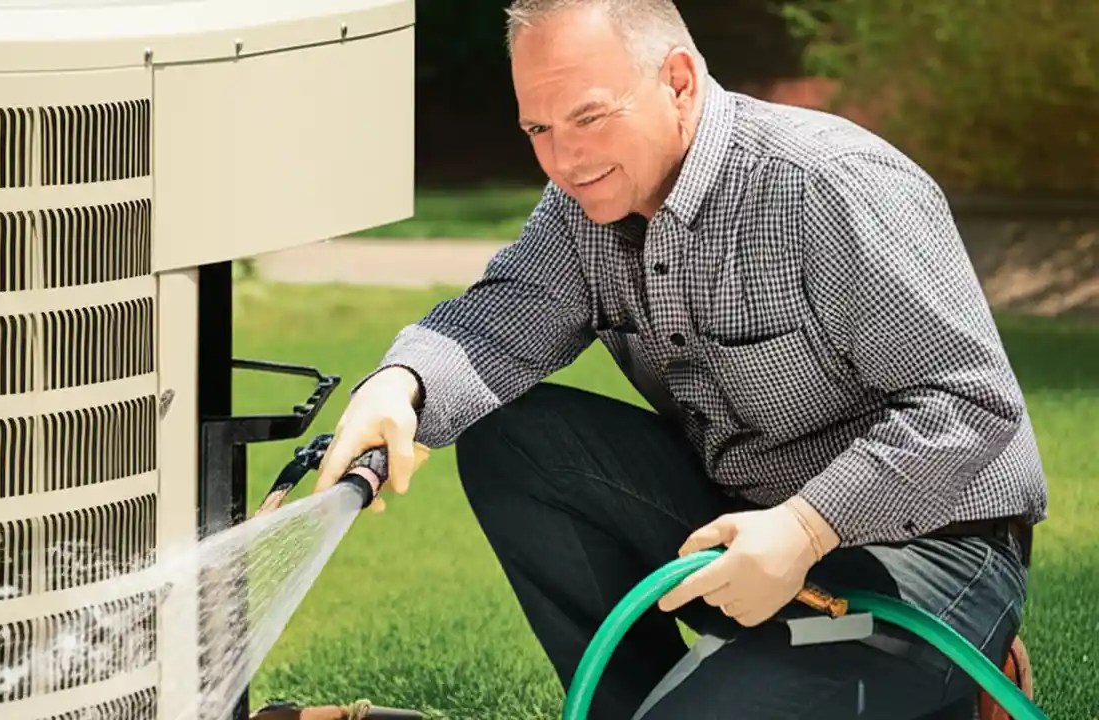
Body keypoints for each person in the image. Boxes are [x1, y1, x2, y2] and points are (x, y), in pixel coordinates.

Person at [314, 1, 1048, 717]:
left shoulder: (830, 186)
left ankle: (960, 672)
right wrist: (397, 387)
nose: (563, 158)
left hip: (931, 555)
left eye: (589, 116)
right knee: (514, 440)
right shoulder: (584, 207)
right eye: (538, 128)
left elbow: (968, 401)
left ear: (678, 81)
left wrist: (806, 528)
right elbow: (496, 321)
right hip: (739, 540)